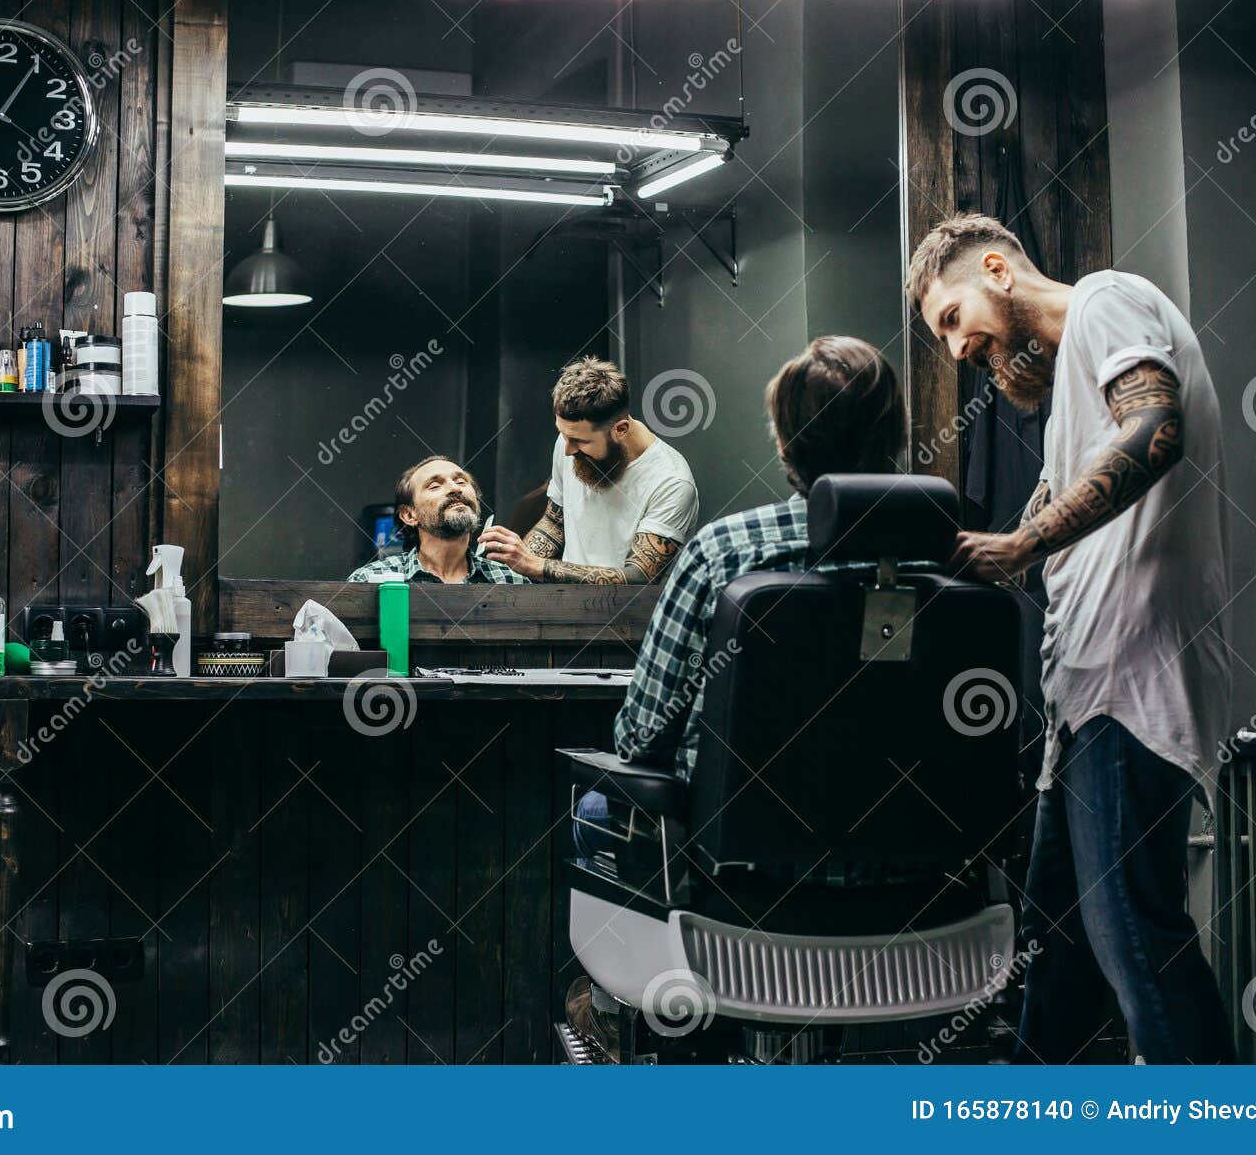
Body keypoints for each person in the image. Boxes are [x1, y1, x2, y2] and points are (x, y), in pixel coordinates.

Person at [907, 212, 1235, 1064]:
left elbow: (1157, 427)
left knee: (1139, 945)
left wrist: (1023, 544)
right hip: (1083, 706)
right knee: (1057, 960)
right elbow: (1044, 522)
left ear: (997, 269)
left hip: (1132, 691)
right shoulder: (1064, 409)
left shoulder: (1106, 302)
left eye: (952, 318)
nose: (955, 351)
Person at [564, 336, 904, 1058]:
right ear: (897, 432)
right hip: (914, 895)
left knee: (600, 804)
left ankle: (663, 1044)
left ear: (786, 443)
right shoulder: (958, 551)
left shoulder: (727, 552)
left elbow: (639, 737)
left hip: (741, 895)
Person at [478, 357, 698, 583]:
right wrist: (513, 570)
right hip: (571, 606)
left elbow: (639, 577)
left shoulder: (672, 482)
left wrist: (537, 566)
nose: (568, 450)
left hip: (632, 615)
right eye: (563, 435)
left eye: (580, 441)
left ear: (620, 430)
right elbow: (556, 521)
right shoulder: (569, 442)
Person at [347, 455, 528, 585]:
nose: (455, 488)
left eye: (462, 482)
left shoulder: (508, 581)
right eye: (434, 486)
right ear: (409, 515)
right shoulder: (369, 581)